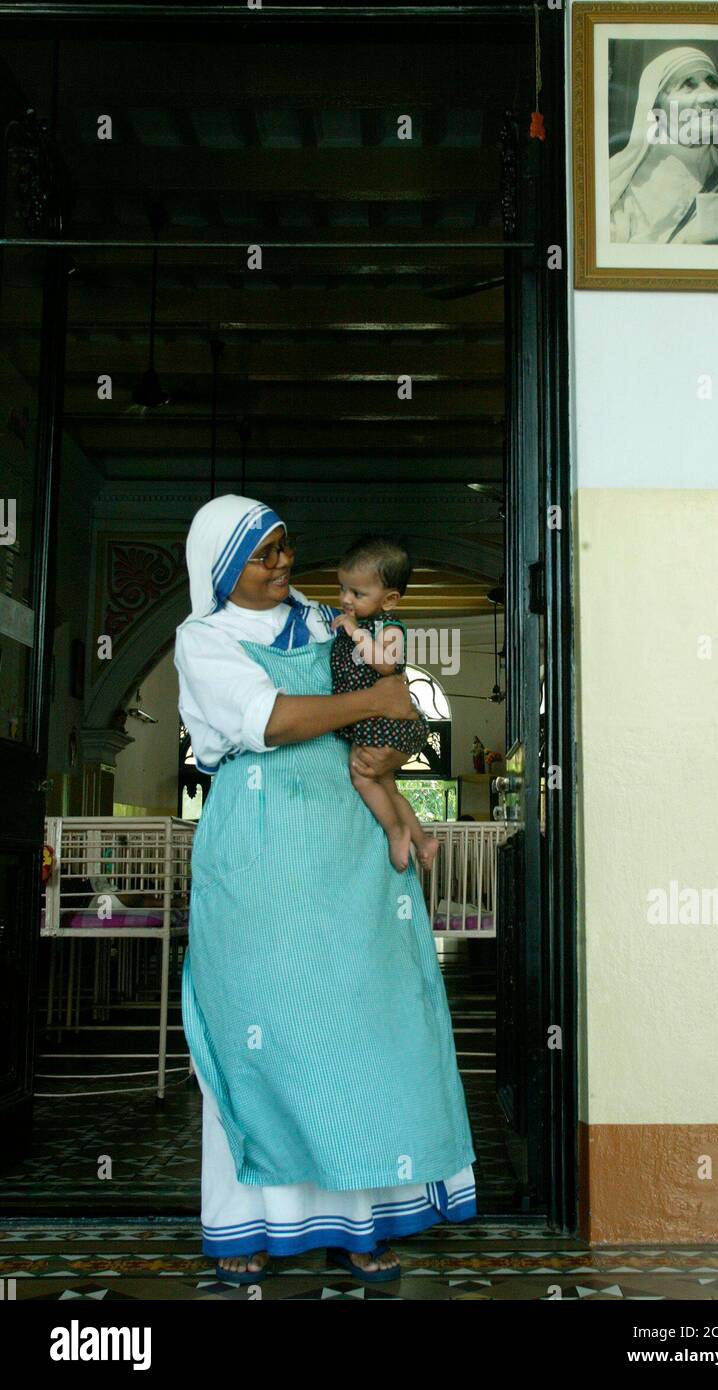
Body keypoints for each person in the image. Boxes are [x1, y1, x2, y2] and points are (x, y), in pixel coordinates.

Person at [174, 494, 477, 1285]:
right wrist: (372, 700)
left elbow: (380, 721)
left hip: (344, 843)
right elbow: (268, 722)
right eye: (261, 553)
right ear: (219, 566)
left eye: (284, 547)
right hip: (260, 851)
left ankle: (359, 1219)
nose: (281, 564)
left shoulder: (324, 621)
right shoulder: (202, 640)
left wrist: (399, 805)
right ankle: (245, 1223)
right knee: (257, 1029)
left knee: (356, 1028)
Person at [330, 534, 439, 873]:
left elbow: (386, 664)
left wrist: (355, 632)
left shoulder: (387, 627)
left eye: (358, 593)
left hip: (389, 723)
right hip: (374, 722)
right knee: (387, 786)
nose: (346, 599)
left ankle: (396, 832)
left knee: (362, 776)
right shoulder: (355, 622)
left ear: (389, 600)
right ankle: (422, 840)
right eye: (343, 589)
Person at [609, 46, 718, 245]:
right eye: (688, 84)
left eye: (713, 83)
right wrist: (689, 245)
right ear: (658, 103)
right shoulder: (622, 184)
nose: (709, 96)